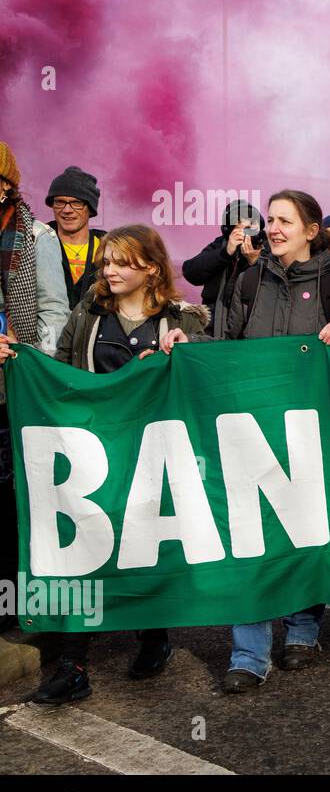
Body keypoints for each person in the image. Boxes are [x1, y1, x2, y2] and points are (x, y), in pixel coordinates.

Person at [0, 224, 209, 702]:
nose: (108, 270)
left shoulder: (182, 319)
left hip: (153, 456)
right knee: (82, 550)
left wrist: (190, 350)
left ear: (151, 268)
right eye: (105, 262)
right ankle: (73, 664)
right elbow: (60, 373)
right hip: (93, 453)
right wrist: (18, 358)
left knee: (147, 546)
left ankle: (154, 635)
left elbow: (207, 383)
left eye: (120, 262)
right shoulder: (88, 313)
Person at [177, 190, 330, 693]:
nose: (273, 228)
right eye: (271, 220)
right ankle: (248, 652)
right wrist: (185, 343)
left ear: (310, 229)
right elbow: (226, 347)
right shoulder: (249, 280)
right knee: (248, 535)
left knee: (306, 530)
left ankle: (303, 629)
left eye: (284, 221)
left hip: (310, 436)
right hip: (250, 431)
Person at [0, 142, 70, 630]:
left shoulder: (36, 236)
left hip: (17, 386)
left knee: (16, 496)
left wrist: (27, 362)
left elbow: (54, 313)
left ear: (7, 185)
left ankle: (19, 607)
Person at [181, 199, 264, 337]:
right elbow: (190, 272)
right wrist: (226, 252)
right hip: (215, 327)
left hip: (252, 326)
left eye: (251, 223)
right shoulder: (220, 245)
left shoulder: (266, 246)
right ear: (229, 229)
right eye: (241, 224)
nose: (247, 228)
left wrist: (255, 260)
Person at [43, 166, 105, 308]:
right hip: (48, 329)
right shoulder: (36, 243)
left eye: (76, 203)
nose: (67, 210)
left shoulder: (108, 248)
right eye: (60, 202)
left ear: (90, 208)